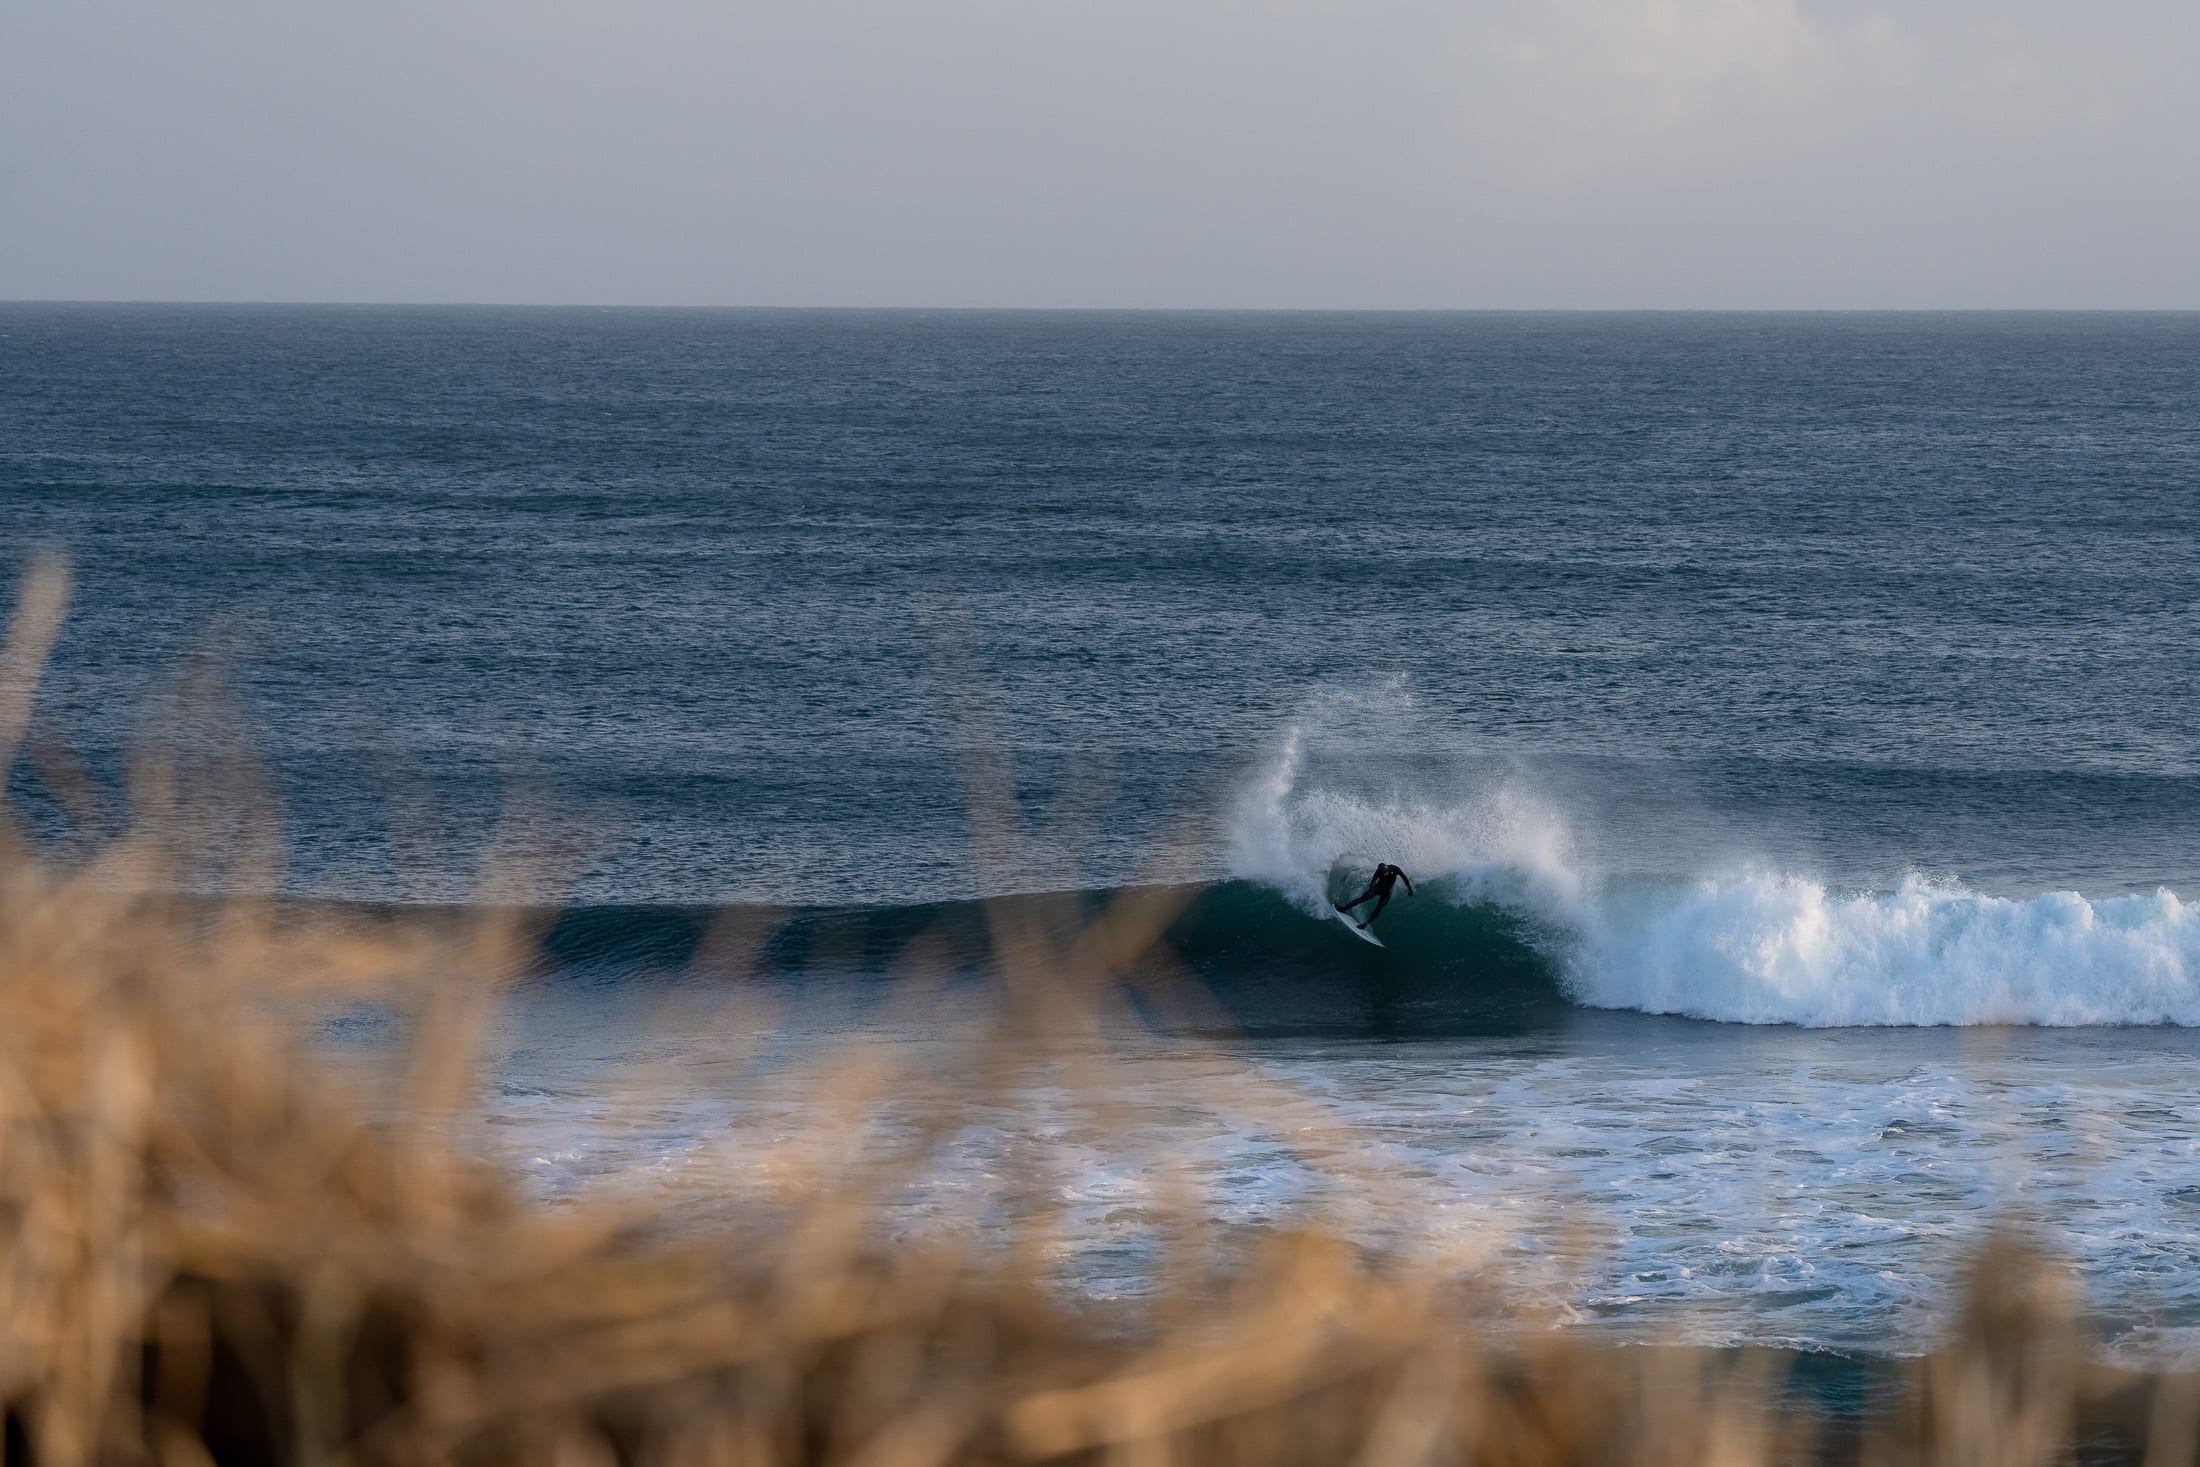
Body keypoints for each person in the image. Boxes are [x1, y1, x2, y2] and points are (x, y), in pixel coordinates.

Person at [1336, 862, 1413, 929]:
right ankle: (1344, 908)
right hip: (1378, 888)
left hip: (1387, 892)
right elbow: (1373, 881)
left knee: (1378, 908)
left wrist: (1409, 889)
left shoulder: (1395, 868)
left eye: (1385, 871)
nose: (1384, 873)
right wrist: (1371, 891)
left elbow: (1404, 877)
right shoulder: (1378, 871)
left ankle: (1365, 924)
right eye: (1382, 872)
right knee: (1361, 899)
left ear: (1387, 867)